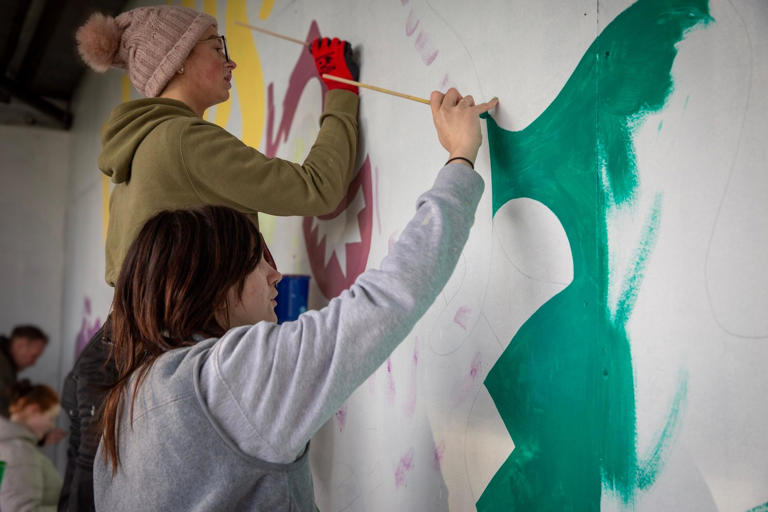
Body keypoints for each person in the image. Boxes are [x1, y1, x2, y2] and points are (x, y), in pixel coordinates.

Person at [93, 89, 497, 510]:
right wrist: (460, 158)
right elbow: (388, 298)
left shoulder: (128, 398)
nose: (276, 275)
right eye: (256, 261)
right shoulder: (231, 377)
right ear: (210, 288)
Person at [60, 5, 361, 510]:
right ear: (176, 61)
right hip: (147, 356)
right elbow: (317, 189)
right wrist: (340, 93)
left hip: (117, 356)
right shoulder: (181, 139)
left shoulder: (137, 149)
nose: (231, 62)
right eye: (218, 48)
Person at [0, 380, 63, 511]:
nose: (51, 426)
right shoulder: (20, 452)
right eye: (51, 418)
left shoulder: (11, 445)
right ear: (33, 410)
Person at [0, 325, 49, 418]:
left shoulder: (7, 364)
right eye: (34, 356)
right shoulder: (2, 365)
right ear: (20, 345)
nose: (33, 363)